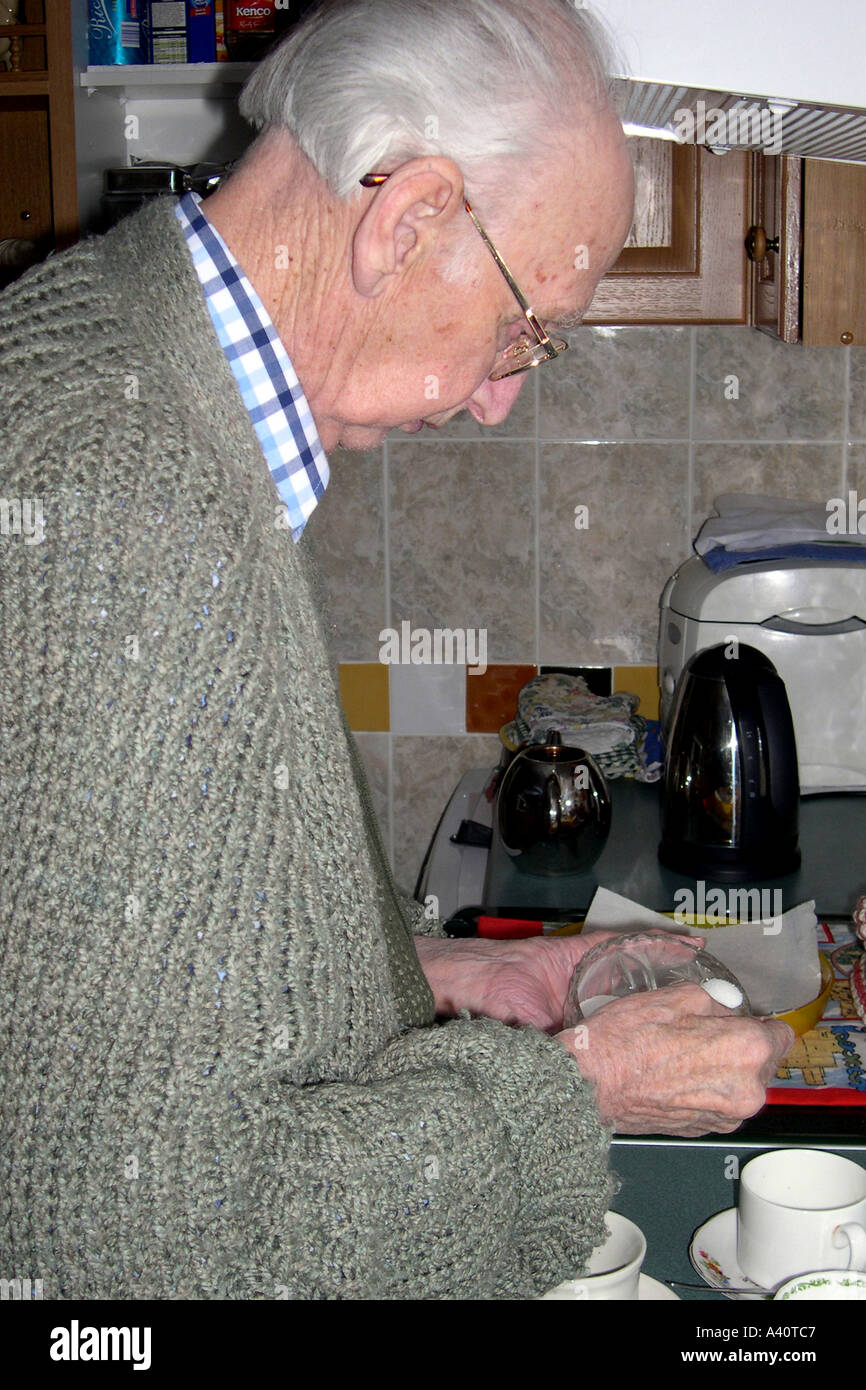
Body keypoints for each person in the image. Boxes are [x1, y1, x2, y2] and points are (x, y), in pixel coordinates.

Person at [0, 0, 791, 1300]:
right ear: (410, 215)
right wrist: (574, 1089)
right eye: (524, 327)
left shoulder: (114, 358)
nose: (500, 396)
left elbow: (147, 991)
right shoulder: (129, 507)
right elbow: (138, 1254)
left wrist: (482, 980)